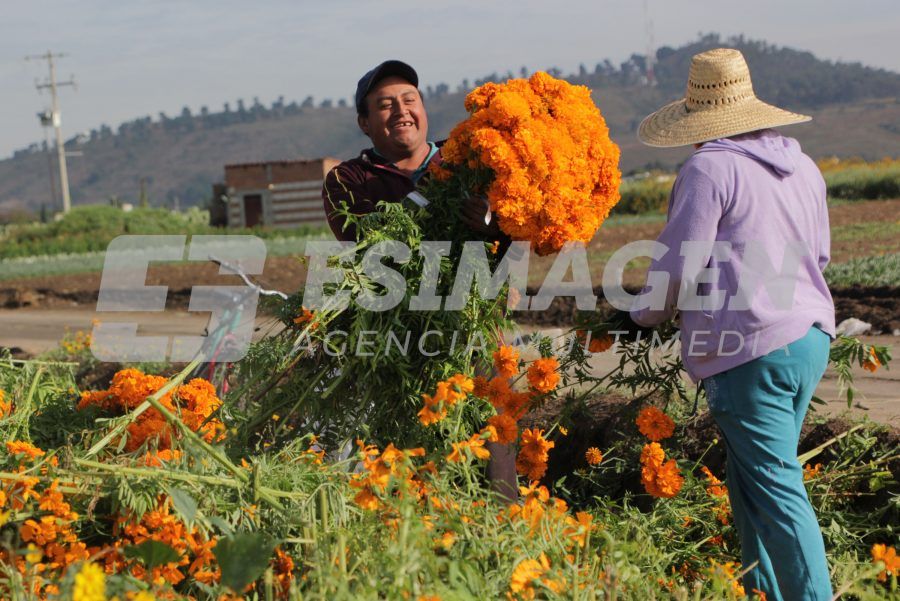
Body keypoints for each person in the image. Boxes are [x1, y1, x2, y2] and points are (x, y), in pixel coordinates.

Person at [628, 48, 835, 601]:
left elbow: (680, 264)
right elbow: (820, 255)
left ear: (698, 122)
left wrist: (642, 314)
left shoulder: (708, 168)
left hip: (750, 350)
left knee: (777, 488)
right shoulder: (804, 167)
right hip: (808, 337)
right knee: (753, 484)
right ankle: (760, 590)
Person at [321, 60, 517, 501]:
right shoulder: (349, 179)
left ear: (424, 109)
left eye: (410, 100)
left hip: (478, 320)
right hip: (402, 336)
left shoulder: (466, 157)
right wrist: (427, 196)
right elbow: (369, 246)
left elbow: (518, 229)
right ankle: (419, 525)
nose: (401, 111)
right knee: (413, 434)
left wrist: (492, 224)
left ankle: (506, 523)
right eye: (385, 105)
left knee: (494, 424)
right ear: (365, 123)